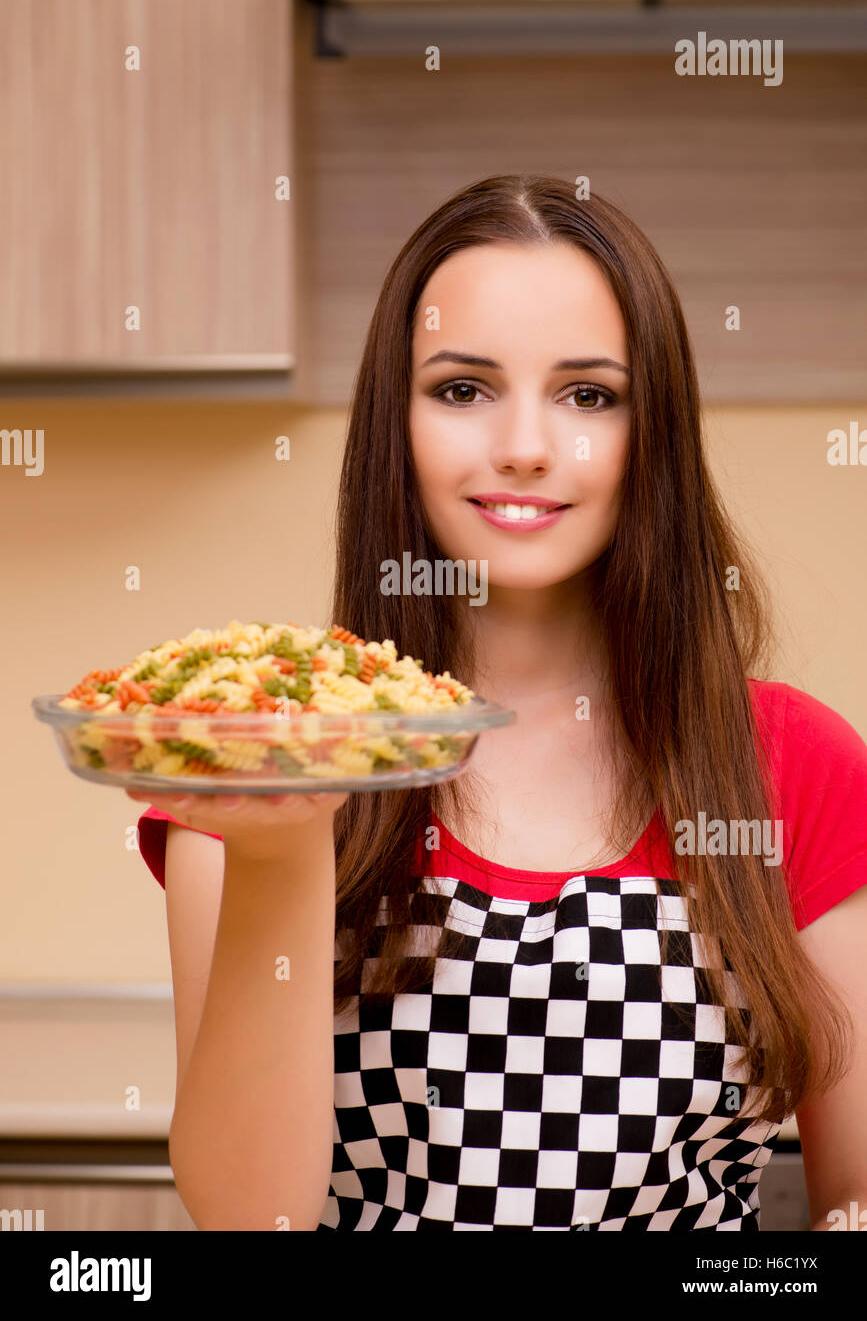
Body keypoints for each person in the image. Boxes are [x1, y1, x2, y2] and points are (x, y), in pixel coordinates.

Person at [129, 175, 867, 1232]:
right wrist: (284, 839)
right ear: (396, 424)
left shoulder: (797, 764)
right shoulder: (255, 750)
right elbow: (250, 1221)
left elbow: (854, 1196)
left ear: (653, 432)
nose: (524, 445)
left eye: (588, 395)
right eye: (464, 389)